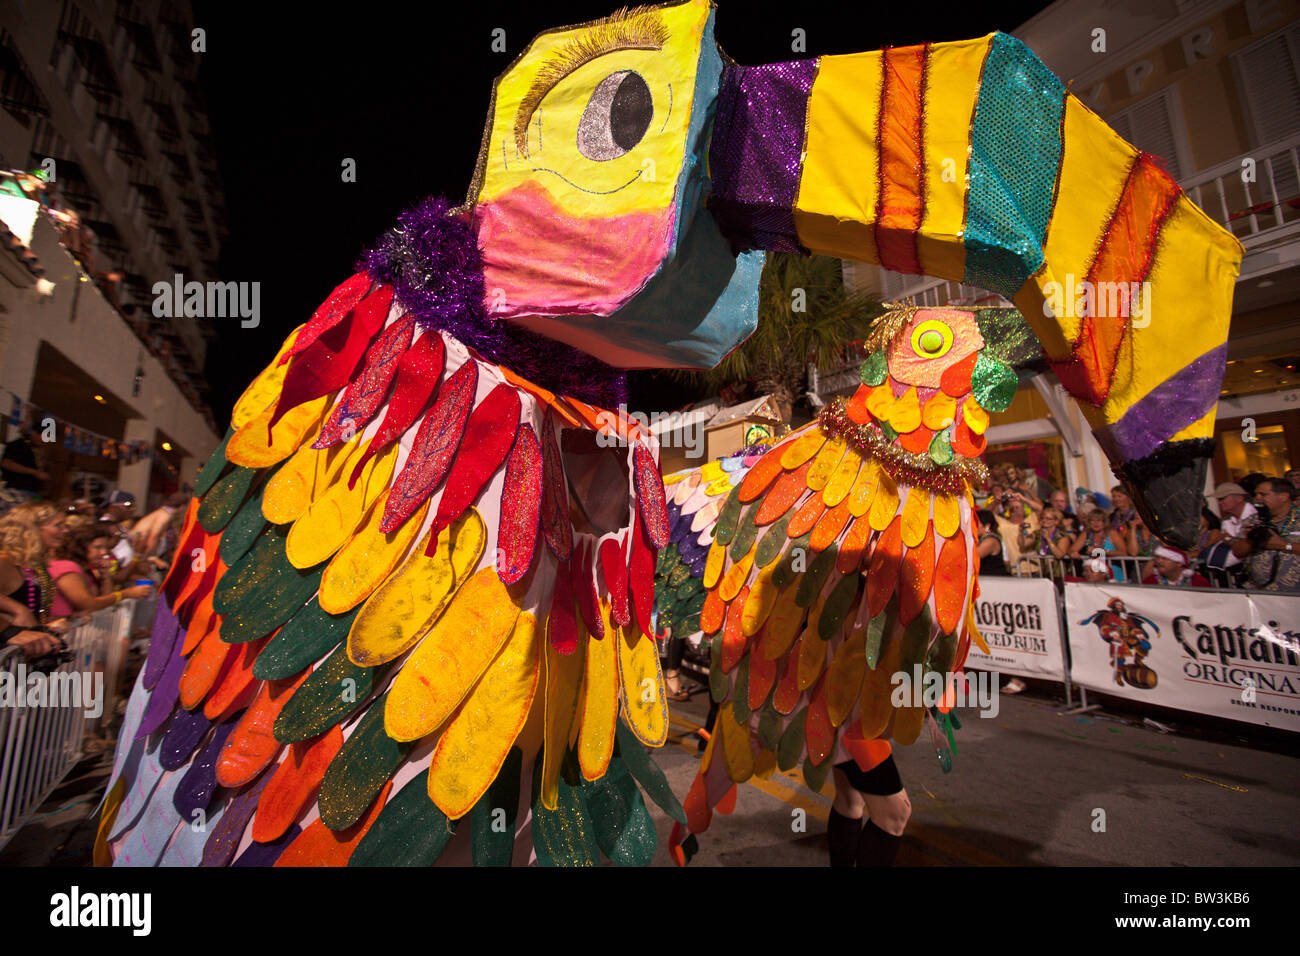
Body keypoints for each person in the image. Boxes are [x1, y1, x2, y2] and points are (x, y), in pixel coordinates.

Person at [48, 522, 152, 617]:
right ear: (80, 548)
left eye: (105, 548)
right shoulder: (67, 567)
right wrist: (126, 594)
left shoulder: (87, 570)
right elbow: (88, 605)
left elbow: (102, 604)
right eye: (98, 547)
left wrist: (106, 577)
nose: (104, 552)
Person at [1234, 477, 1300, 591]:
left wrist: (1284, 545)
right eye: (1256, 494)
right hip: (1258, 592)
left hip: (1294, 595)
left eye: (1263, 494)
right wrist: (1251, 541)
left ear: (1283, 496)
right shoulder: (1253, 520)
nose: (1257, 498)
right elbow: (1237, 552)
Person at [1070, 506, 1128, 582]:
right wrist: (1073, 553)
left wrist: (1102, 551)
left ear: (1104, 522)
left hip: (1113, 574)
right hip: (1092, 575)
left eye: (1099, 520)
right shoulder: (1086, 533)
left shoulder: (1112, 533)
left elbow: (1124, 553)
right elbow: (1071, 550)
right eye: (1092, 521)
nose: (1095, 523)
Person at [0, 413, 49, 501]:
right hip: (15, 491)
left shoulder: (39, 451)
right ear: (34, 433)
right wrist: (33, 472)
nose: (45, 441)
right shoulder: (19, 445)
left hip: (33, 494)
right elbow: (6, 463)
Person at [995, 492, 1039, 569]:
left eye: (1017, 507)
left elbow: (1040, 509)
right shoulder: (1003, 524)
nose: (1014, 509)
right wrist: (997, 501)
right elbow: (987, 513)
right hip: (1015, 570)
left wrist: (1023, 499)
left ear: (1024, 510)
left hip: (1034, 569)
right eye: (1012, 508)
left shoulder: (1031, 519)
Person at [1141, 546, 1210, 587]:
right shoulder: (1151, 581)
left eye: (1164, 559)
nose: (1159, 561)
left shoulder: (1198, 582)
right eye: (1157, 558)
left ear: (1179, 563)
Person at [975, 509, 1008, 577]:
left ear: (987, 525)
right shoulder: (981, 539)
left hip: (995, 581)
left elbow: (974, 557)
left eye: (976, 523)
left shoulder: (991, 541)